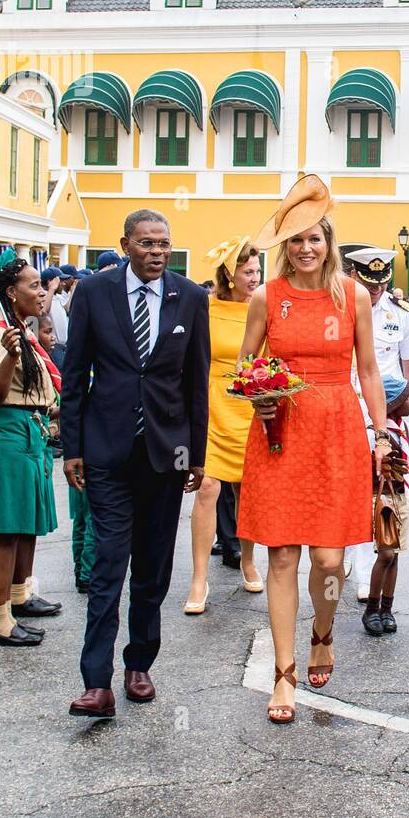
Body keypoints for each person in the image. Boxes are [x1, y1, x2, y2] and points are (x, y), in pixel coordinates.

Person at [238, 176, 388, 725]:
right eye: (296, 239)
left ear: (330, 243)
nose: (305, 248)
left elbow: (368, 369)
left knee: (328, 558)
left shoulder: (354, 295)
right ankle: (284, 672)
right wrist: (259, 398)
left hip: (337, 426)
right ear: (284, 247)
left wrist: (381, 431)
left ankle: (323, 632)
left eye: (315, 239)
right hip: (280, 430)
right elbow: (245, 365)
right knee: (281, 553)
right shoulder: (265, 297)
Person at [63, 211, 210, 718]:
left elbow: (197, 381)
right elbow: (75, 372)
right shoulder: (94, 293)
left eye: (164, 244)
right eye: (147, 243)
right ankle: (95, 682)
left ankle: (139, 663)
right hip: (107, 453)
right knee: (108, 564)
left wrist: (197, 453)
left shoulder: (189, 297)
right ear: (125, 244)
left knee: (153, 566)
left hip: (167, 456)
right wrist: (73, 447)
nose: (156, 252)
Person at [0, 252, 63, 646]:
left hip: (26, 429)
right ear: (11, 292)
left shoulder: (18, 328)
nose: (41, 292)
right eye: (34, 285)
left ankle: (19, 596)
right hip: (2, 431)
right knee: (4, 529)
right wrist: (10, 355)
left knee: (24, 521)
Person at [185, 237, 265, 613]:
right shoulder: (205, 306)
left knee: (248, 490)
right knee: (208, 487)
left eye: (258, 270)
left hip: (248, 402)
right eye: (248, 271)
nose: (255, 277)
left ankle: (248, 560)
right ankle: (199, 578)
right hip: (212, 400)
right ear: (229, 275)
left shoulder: (261, 306)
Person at [343, 247, 409, 601]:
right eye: (368, 282)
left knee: (382, 495)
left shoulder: (402, 315)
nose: (375, 290)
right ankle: (349, 549)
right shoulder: (338, 308)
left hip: (387, 417)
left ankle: (367, 573)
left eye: (381, 283)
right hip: (346, 413)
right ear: (353, 275)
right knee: (351, 494)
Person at [362, 375, 409, 635]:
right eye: (405, 398)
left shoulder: (404, 428)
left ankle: (387, 608)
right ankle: (371, 608)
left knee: (394, 554)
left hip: (400, 496)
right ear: (393, 403)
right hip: (381, 498)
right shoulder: (374, 432)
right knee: (385, 553)